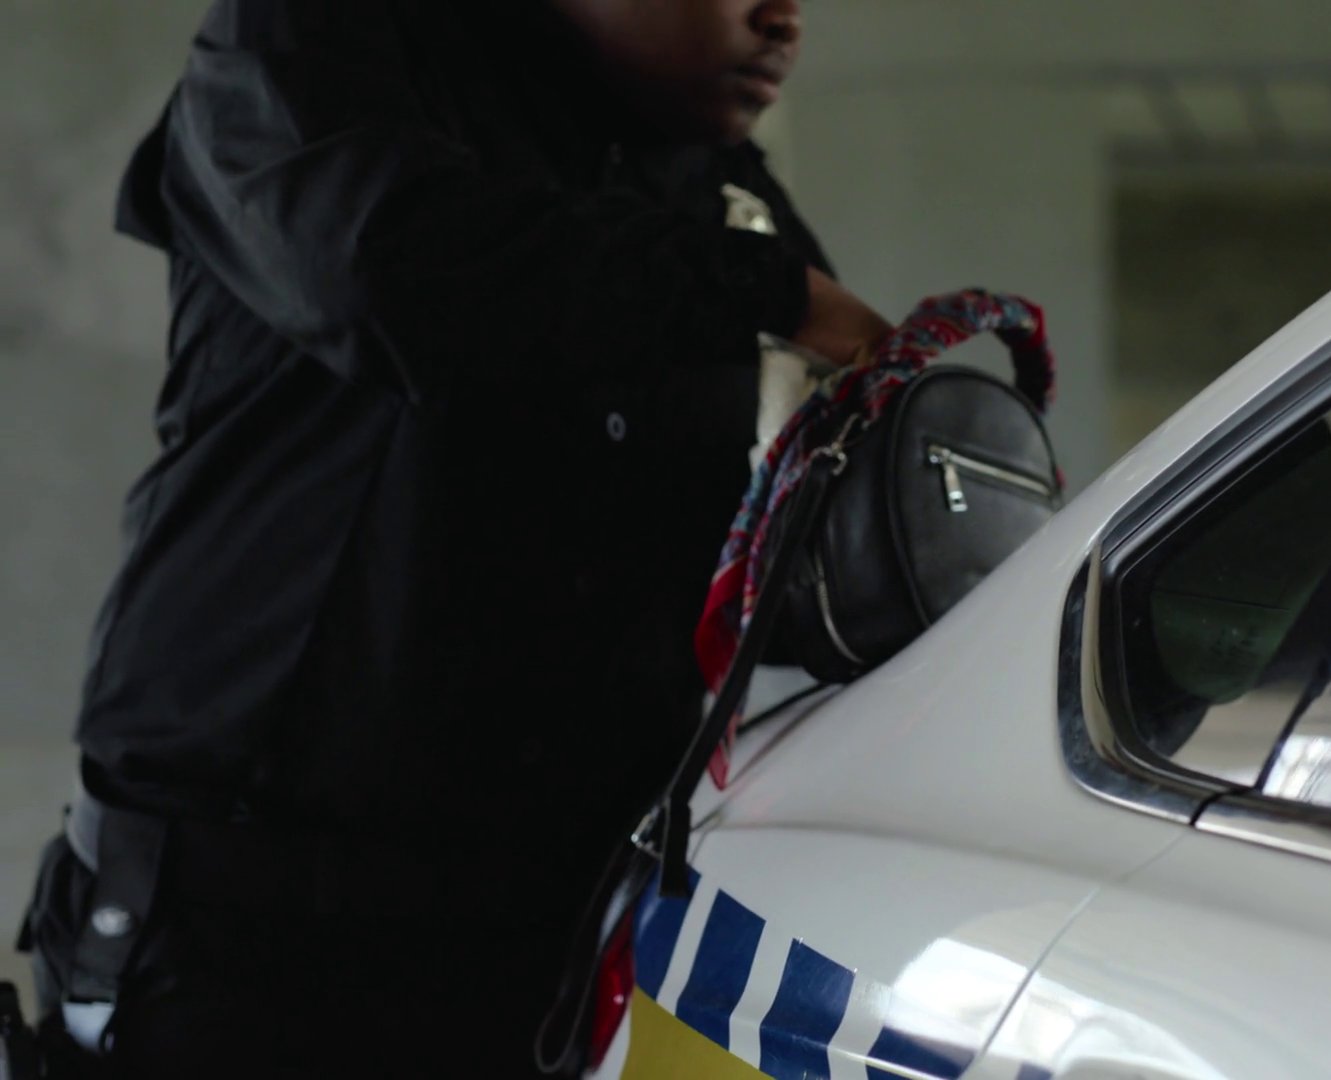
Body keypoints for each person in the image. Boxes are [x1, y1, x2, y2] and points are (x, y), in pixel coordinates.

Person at [15, 0, 891, 1075]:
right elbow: (389, 269)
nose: (783, 19)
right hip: (241, 953)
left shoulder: (725, 198)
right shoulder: (310, 50)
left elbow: (826, 530)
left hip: (538, 965)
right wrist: (761, 292)